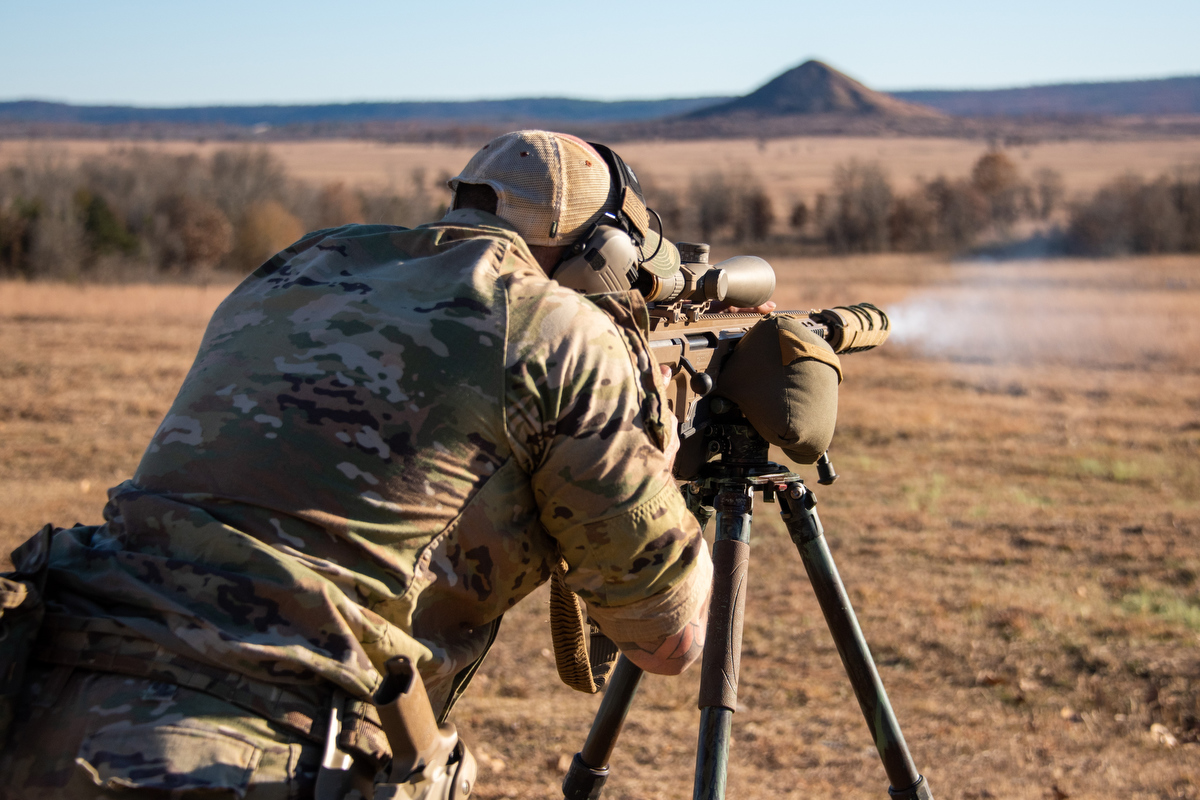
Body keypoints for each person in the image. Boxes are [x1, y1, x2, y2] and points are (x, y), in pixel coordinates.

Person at [0, 131, 715, 799]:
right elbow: (667, 637)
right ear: (606, 254)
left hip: (51, 699)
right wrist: (662, 439)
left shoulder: (305, 264)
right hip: (257, 755)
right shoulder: (560, 332)